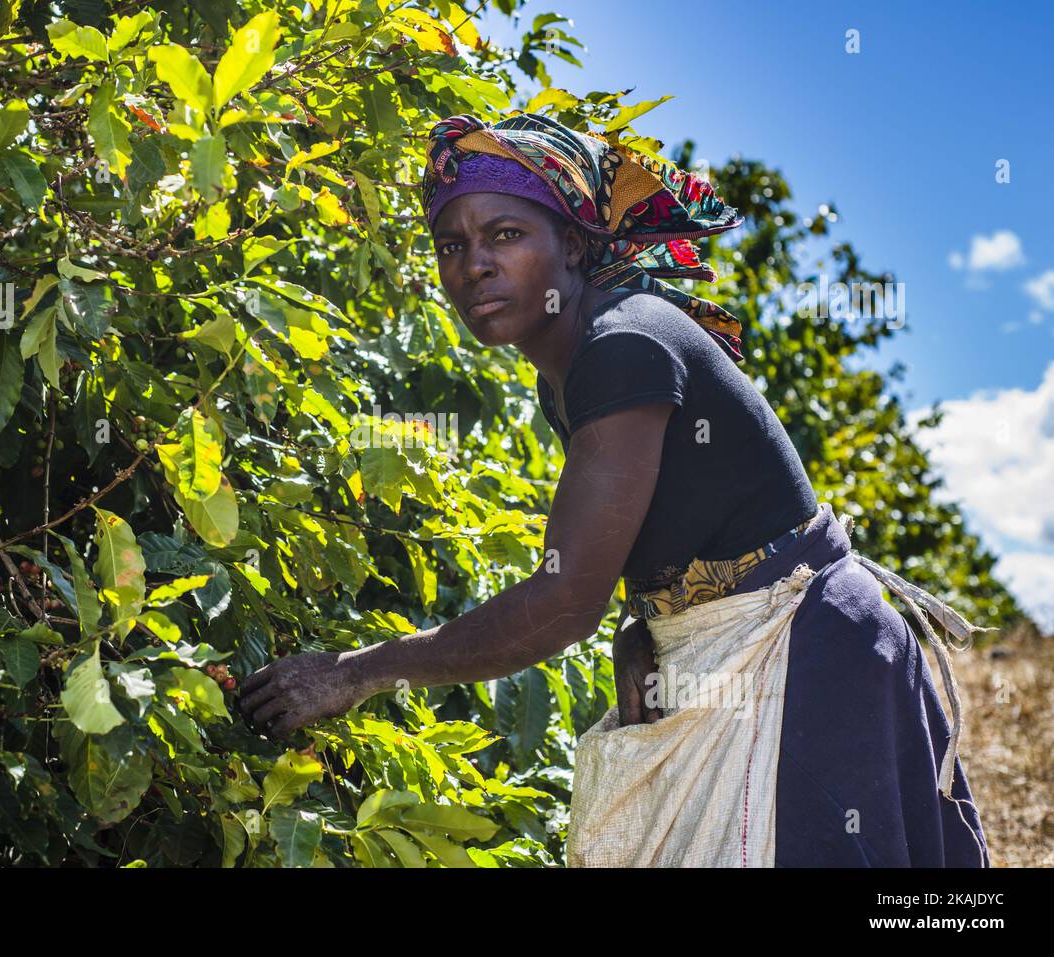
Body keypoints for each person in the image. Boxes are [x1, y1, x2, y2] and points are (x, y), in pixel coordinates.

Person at [238, 111, 993, 867]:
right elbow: (664, 529)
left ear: (570, 244)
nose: (475, 265)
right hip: (744, 657)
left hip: (805, 661)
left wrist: (357, 670)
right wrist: (645, 625)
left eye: (505, 235)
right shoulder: (565, 375)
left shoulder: (622, 344)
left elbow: (565, 602)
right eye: (452, 245)